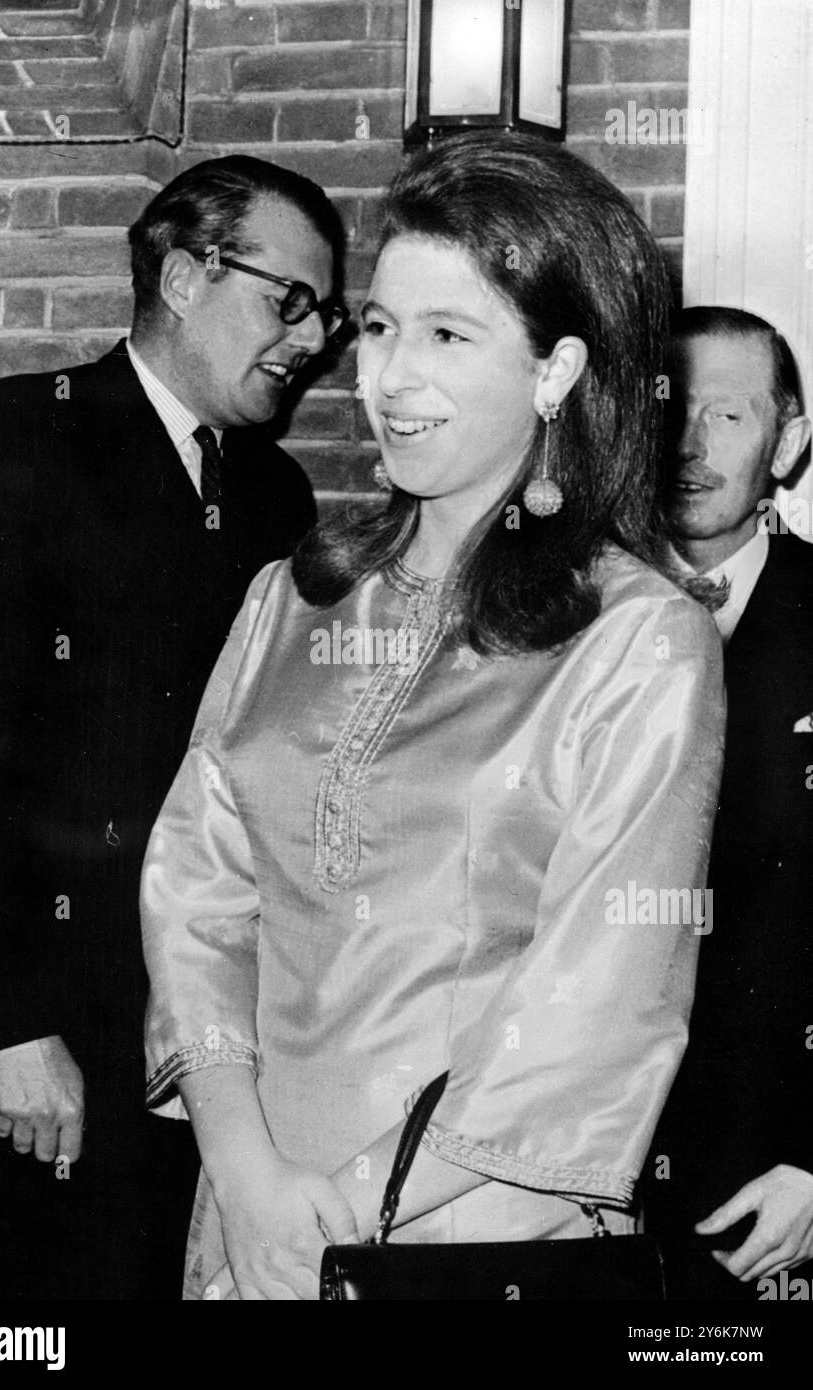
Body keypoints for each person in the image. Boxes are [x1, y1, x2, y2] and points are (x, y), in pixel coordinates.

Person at [141, 131, 725, 1302]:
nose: (389, 378)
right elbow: (195, 885)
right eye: (381, 328)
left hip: (463, 1234)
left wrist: (330, 1224)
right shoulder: (291, 593)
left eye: (449, 336)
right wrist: (247, 1172)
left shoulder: (635, 639)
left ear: (556, 372)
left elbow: (592, 1009)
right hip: (248, 1207)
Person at [0, 155, 346, 1299]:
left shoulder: (276, 499)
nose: (310, 340)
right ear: (184, 274)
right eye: (287, 300)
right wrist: (8, 1028)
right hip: (40, 1053)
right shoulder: (7, 436)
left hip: (203, 1055)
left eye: (327, 314)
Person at [643, 307, 813, 1298]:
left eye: (729, 417)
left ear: (786, 440)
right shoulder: (565, 614)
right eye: (669, 411)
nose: (690, 448)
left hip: (770, 1170)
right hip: (571, 1166)